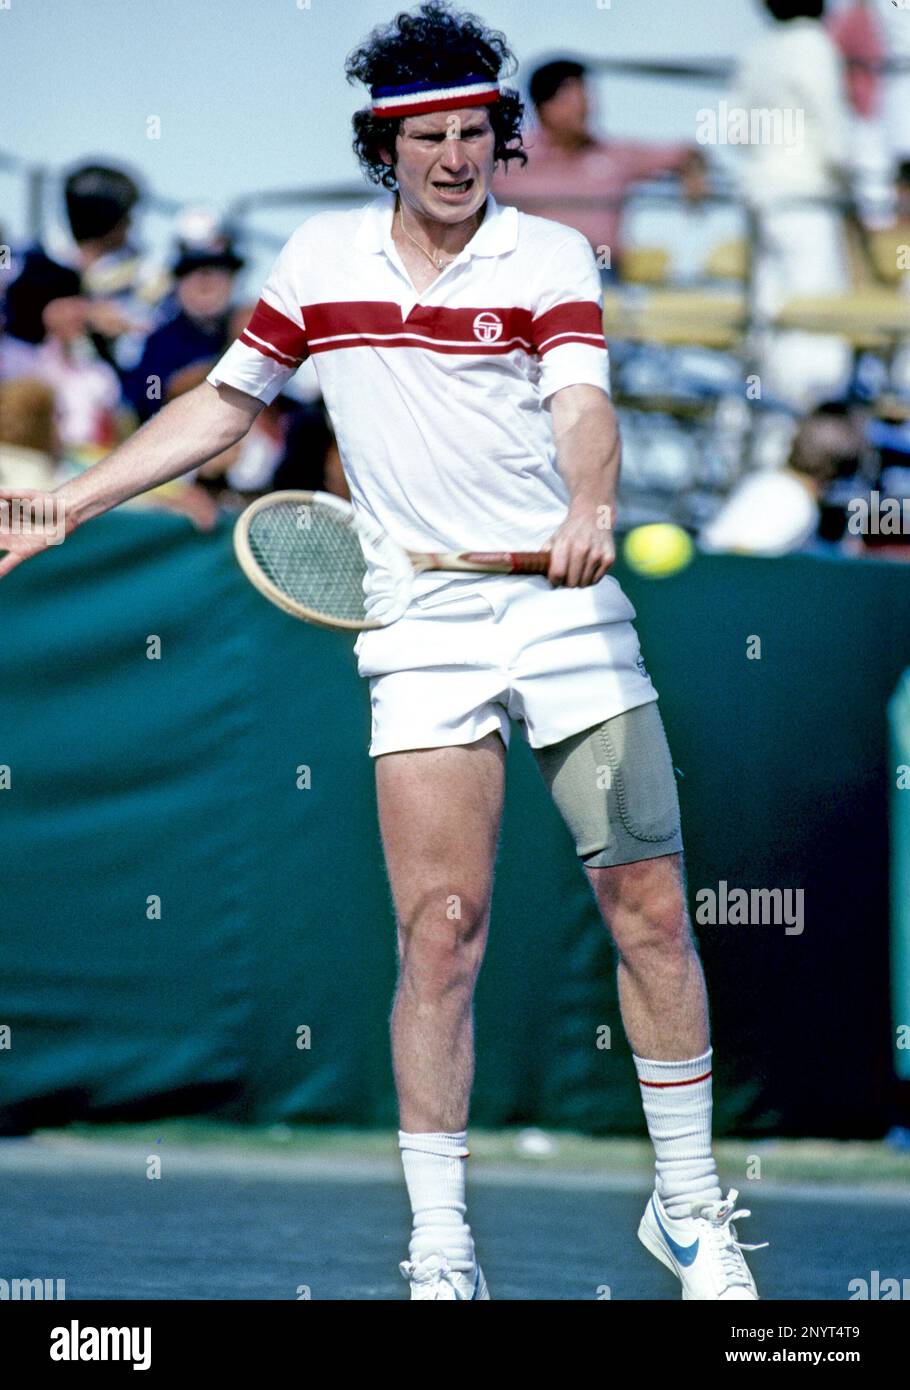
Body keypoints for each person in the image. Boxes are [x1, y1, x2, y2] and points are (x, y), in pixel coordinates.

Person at [0, 0, 765, 1302]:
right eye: (432, 138)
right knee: (440, 929)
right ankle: (440, 1247)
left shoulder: (548, 255)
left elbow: (581, 405)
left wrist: (589, 503)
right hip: (416, 623)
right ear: (384, 144)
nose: (458, 158)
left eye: (478, 132)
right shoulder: (315, 260)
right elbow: (222, 413)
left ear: (500, 137)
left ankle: (689, 1210)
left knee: (645, 905)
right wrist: (69, 499)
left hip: (567, 614)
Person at [732, 0, 854, 413]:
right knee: (814, 311)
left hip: (761, 193)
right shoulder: (814, 44)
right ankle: (811, 419)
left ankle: (772, 421)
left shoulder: (758, 48)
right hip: (806, 194)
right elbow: (835, 133)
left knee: (768, 314)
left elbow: (737, 130)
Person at [492, 57, 706, 276]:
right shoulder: (509, 156)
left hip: (598, 270)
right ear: (544, 106)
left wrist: (694, 170)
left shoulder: (615, 154)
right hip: (529, 269)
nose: (585, 107)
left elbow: (687, 153)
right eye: (571, 99)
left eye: (586, 96)